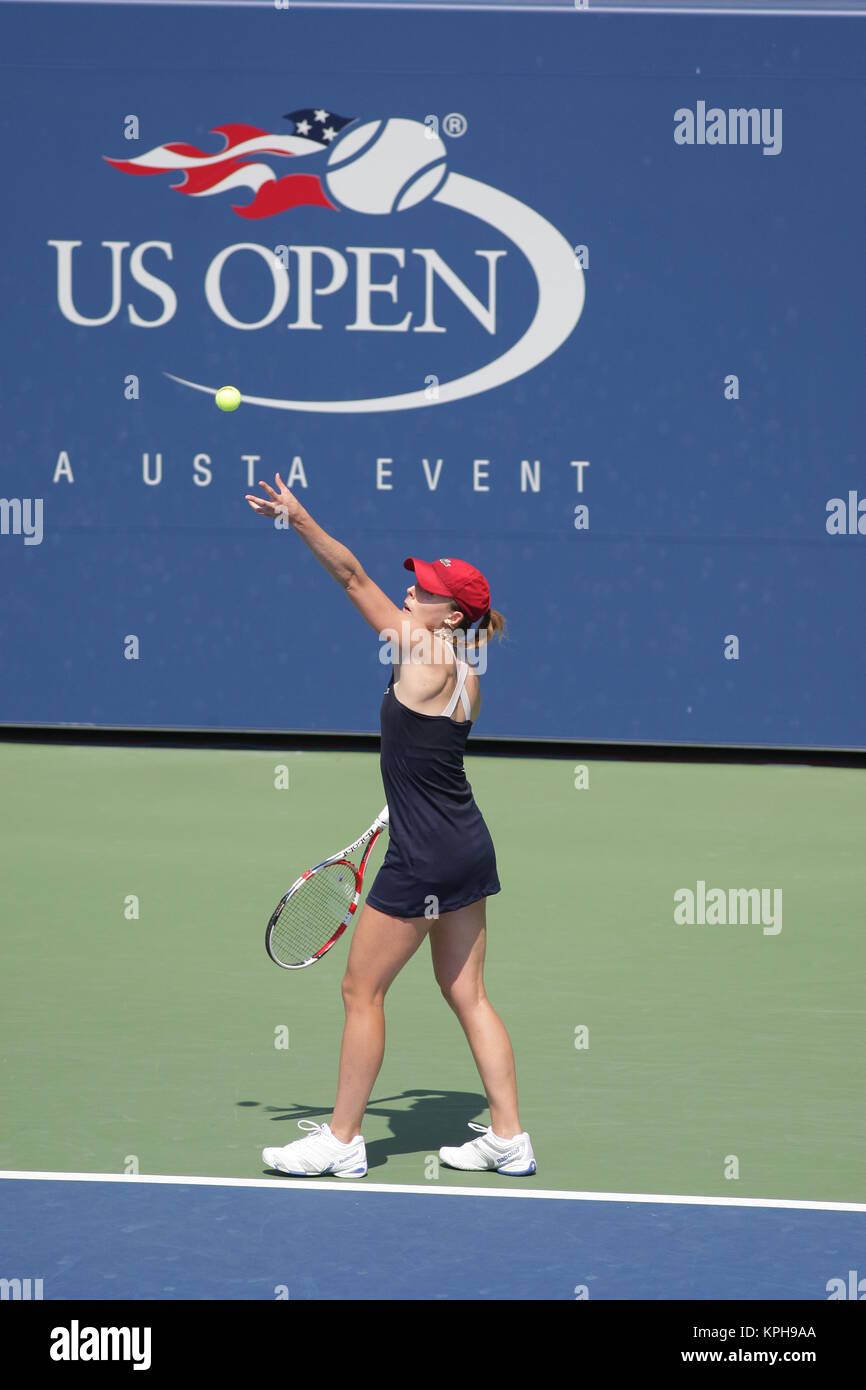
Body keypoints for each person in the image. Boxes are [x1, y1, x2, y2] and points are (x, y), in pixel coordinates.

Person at [245, 474, 536, 1178]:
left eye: (427, 589)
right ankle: (508, 1136)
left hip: (426, 859)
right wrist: (400, 802)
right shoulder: (467, 672)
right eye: (416, 582)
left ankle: (343, 1142)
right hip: (465, 846)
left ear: (447, 614)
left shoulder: (421, 649)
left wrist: (299, 518)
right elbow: (433, 764)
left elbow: (350, 577)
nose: (412, 590)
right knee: (467, 992)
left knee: (360, 991)